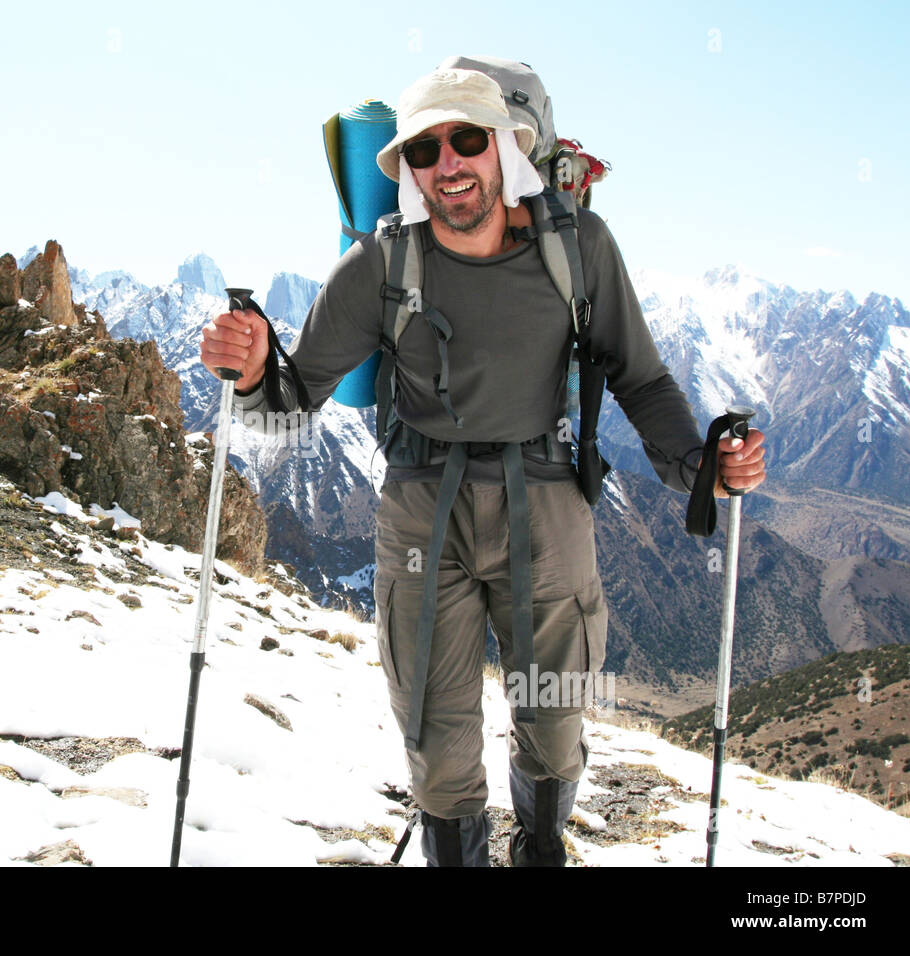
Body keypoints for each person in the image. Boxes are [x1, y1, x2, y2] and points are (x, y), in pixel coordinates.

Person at [199, 66, 766, 866]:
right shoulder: (379, 264)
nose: (450, 162)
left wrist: (700, 466)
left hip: (547, 500)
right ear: (406, 169)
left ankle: (541, 845)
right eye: (426, 150)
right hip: (422, 511)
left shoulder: (579, 248)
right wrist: (255, 369)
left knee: (555, 717)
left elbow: (640, 376)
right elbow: (292, 402)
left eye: (468, 139)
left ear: (507, 148)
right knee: (435, 724)